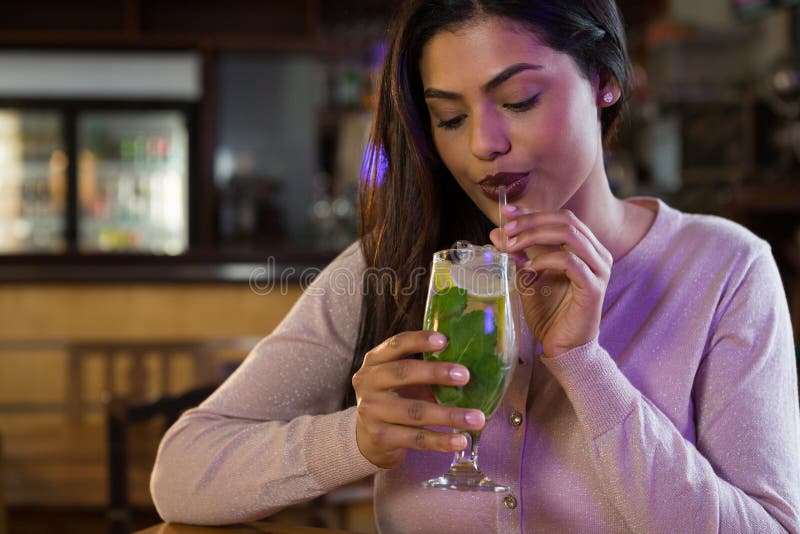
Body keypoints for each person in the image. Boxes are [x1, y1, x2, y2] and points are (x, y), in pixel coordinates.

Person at [150, 0, 800, 532]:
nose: (483, 145)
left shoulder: (725, 269)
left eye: (518, 100)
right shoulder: (398, 263)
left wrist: (583, 365)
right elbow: (182, 474)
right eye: (450, 117)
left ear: (606, 80)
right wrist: (359, 437)